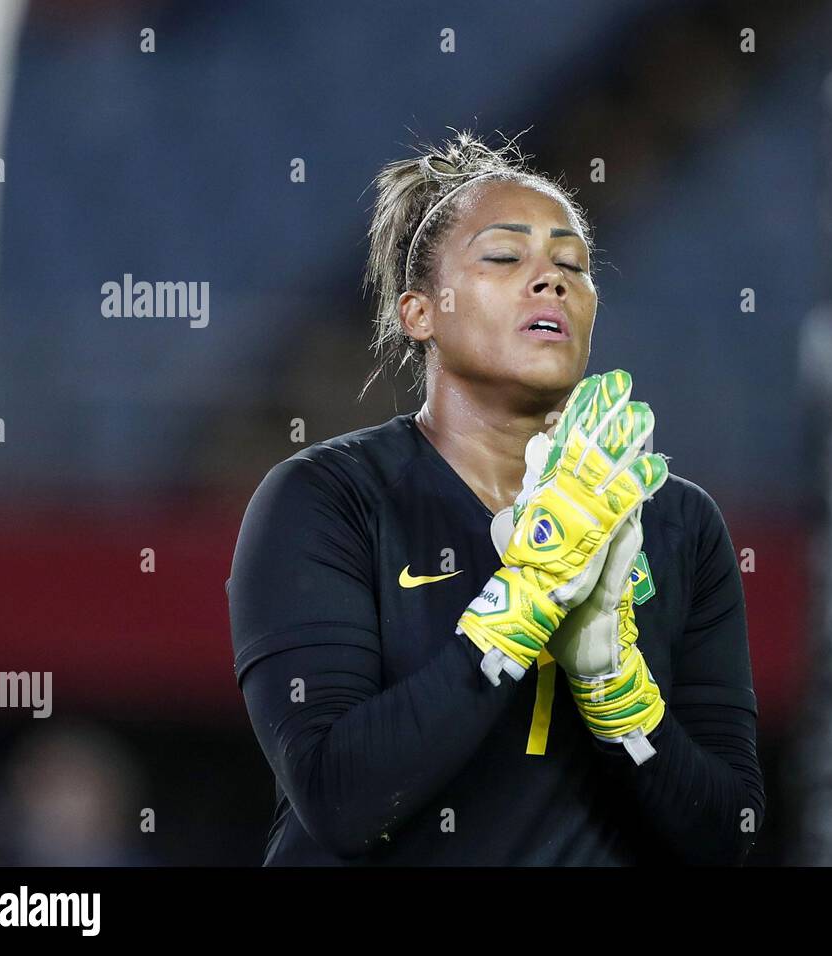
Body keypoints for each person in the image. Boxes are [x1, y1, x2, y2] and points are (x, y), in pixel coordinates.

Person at [226, 130, 764, 864]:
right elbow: (340, 800)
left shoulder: (675, 521)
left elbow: (726, 835)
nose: (552, 280)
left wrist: (615, 691)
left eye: (572, 264)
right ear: (421, 313)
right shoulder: (329, 498)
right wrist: (525, 601)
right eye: (506, 258)